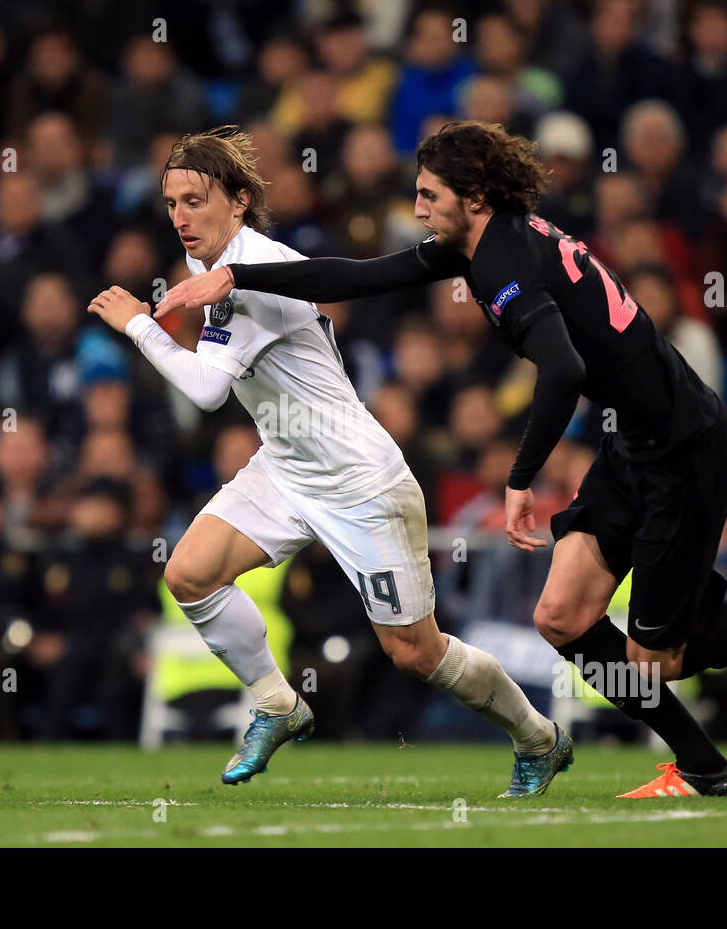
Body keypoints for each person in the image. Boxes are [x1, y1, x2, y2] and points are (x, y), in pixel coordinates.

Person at [158, 120, 727, 798]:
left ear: (472, 196)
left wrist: (520, 479)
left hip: (687, 450)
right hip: (634, 444)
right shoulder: (489, 239)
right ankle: (700, 764)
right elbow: (361, 274)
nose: (417, 208)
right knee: (562, 617)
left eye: (428, 194)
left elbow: (564, 369)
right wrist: (240, 275)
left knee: (657, 660)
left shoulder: (502, 263)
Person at [89, 126, 571, 796]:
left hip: (359, 478)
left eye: (195, 200)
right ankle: (278, 704)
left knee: (416, 653)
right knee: (191, 574)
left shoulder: (251, 272)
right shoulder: (214, 269)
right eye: (171, 202)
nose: (180, 217)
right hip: (286, 463)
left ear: (240, 199)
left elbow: (205, 391)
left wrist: (138, 324)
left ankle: (538, 737)